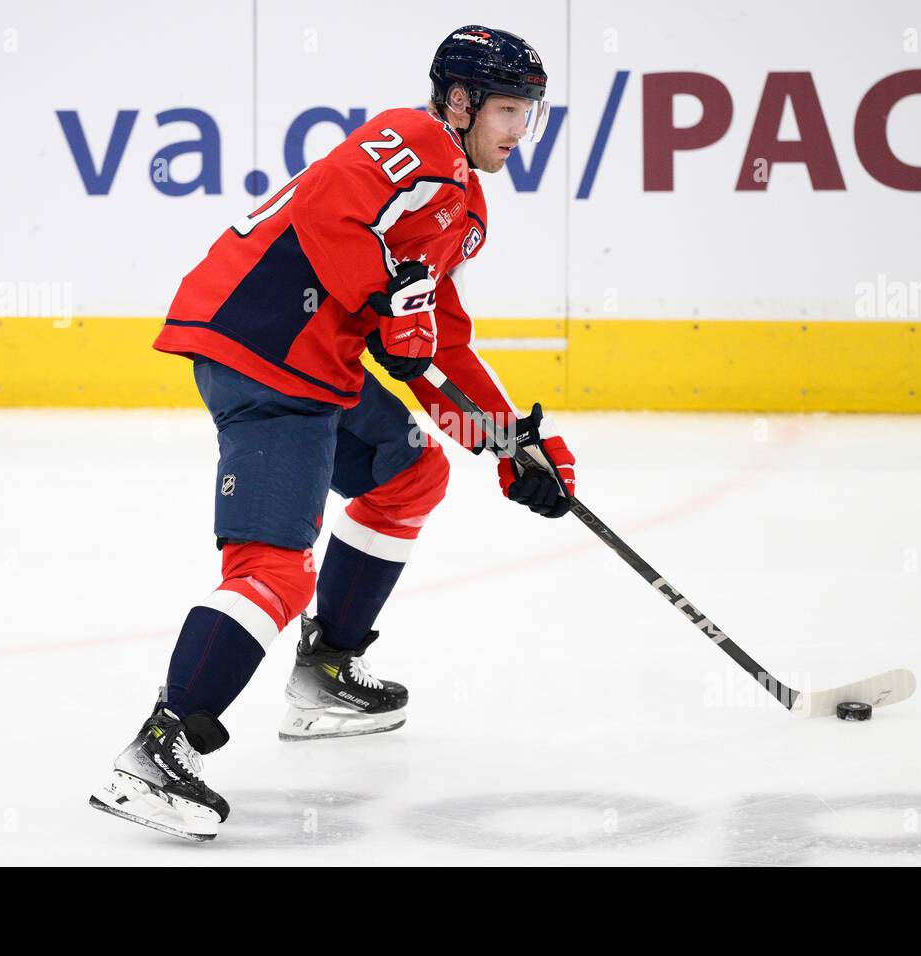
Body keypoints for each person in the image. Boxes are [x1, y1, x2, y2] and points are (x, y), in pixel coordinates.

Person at [89, 25, 577, 842]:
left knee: (409, 470)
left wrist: (511, 445)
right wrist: (388, 301)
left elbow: (436, 347)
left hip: (315, 362)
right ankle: (157, 750)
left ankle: (326, 672)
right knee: (274, 571)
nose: (518, 130)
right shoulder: (414, 137)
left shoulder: (462, 204)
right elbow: (328, 215)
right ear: (458, 103)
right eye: (506, 110)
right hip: (267, 352)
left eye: (526, 111)